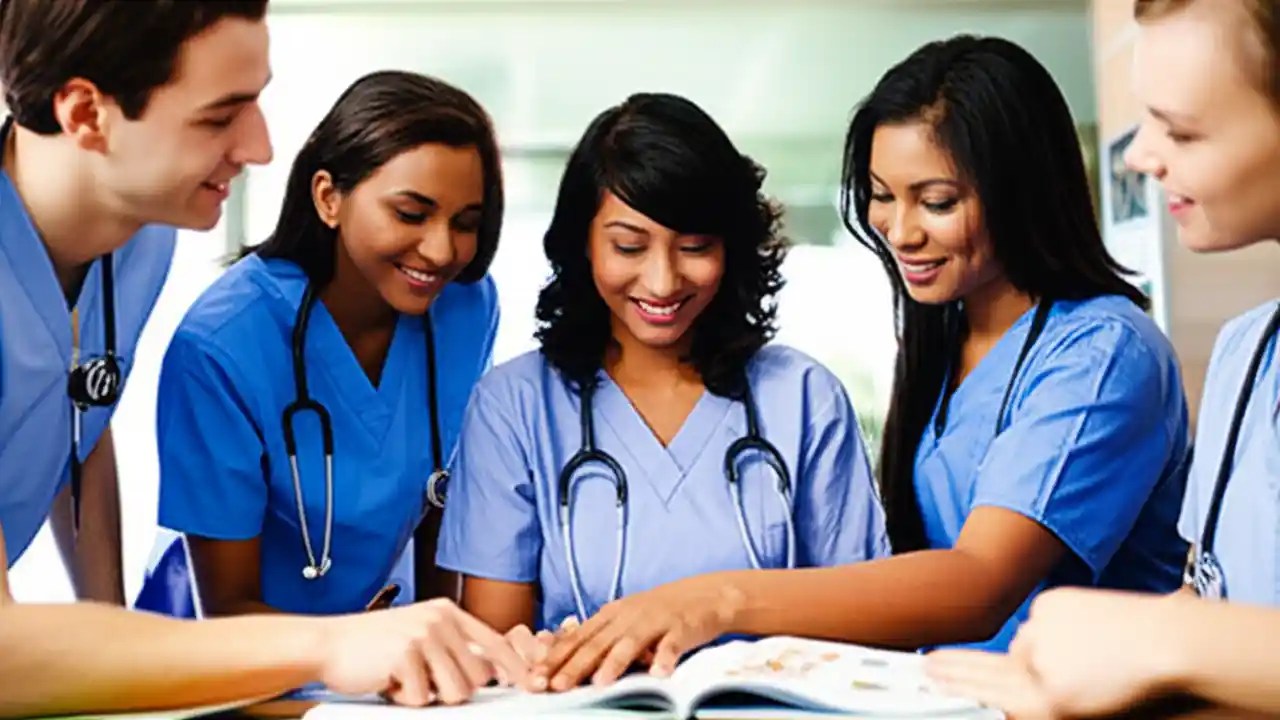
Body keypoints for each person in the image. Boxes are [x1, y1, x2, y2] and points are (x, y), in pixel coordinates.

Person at [529, 36, 1192, 691]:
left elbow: (982, 584)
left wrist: (713, 602)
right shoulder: (949, 335)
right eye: (881, 195)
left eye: (935, 201)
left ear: (1021, 191)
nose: (899, 230)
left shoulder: (1102, 351)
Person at [0, 2, 528, 715]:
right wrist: (332, 646)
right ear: (86, 114)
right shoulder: (226, 332)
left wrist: (110, 626)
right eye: (221, 116)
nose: (262, 147)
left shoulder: (136, 242)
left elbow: (78, 410)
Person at [927, 1, 1280, 717]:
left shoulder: (1106, 349)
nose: (1141, 155)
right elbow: (1220, 599)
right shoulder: (1245, 356)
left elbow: (1193, 637)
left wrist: (1161, 636)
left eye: (1181, 129)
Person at [436, 92, 887, 638]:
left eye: (694, 246)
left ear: (732, 248)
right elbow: (499, 649)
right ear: (582, 246)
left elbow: (865, 614)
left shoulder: (803, 397)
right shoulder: (514, 405)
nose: (663, 281)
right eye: (629, 247)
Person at [156, 70, 502, 617]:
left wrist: (451, 658)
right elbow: (226, 613)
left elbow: (442, 493)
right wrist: (352, 648)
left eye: (466, 222)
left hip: (372, 648)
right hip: (226, 657)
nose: (441, 251)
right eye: (410, 214)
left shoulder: (464, 307)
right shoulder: (222, 345)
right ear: (328, 198)